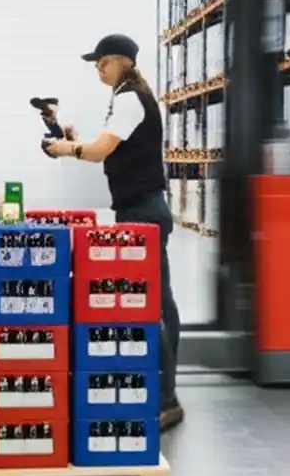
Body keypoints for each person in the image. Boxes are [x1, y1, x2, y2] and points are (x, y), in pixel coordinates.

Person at [42, 34, 184, 431]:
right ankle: (167, 392)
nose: (98, 68)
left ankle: (167, 401)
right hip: (145, 208)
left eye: (103, 61)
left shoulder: (128, 99)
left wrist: (63, 149)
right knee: (162, 304)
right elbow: (107, 150)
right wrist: (69, 138)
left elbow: (101, 150)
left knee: (152, 307)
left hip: (142, 213)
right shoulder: (128, 98)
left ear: (123, 61)